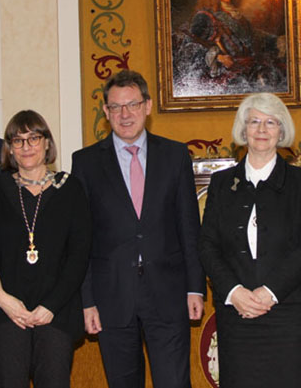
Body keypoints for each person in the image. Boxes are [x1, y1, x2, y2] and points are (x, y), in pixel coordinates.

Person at [70, 70, 205, 388]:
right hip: (111, 298)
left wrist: (195, 287)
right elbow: (81, 240)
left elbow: (189, 226)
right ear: (105, 112)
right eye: (115, 107)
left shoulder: (175, 156)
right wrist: (86, 300)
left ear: (147, 106)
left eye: (131, 104)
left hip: (169, 295)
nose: (124, 114)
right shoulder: (85, 163)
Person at [198, 92, 301, 388]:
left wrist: (269, 292)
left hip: (290, 315)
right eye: (254, 121)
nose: (262, 129)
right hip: (237, 315)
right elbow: (207, 245)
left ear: (282, 131)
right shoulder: (221, 184)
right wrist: (234, 292)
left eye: (271, 122)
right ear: (243, 130)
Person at [0, 110, 92, 388]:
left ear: (47, 143)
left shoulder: (71, 188)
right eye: (17, 141)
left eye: (34, 138)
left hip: (56, 313)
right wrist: (2, 299)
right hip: (5, 313)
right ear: (9, 148)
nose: (26, 146)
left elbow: (79, 255)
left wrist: (50, 306)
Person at [172, 0, 286, 95]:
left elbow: (254, 35)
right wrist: (218, 57)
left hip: (249, 69)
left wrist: (277, 40)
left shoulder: (237, 15)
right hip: (227, 76)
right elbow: (189, 47)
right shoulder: (204, 16)